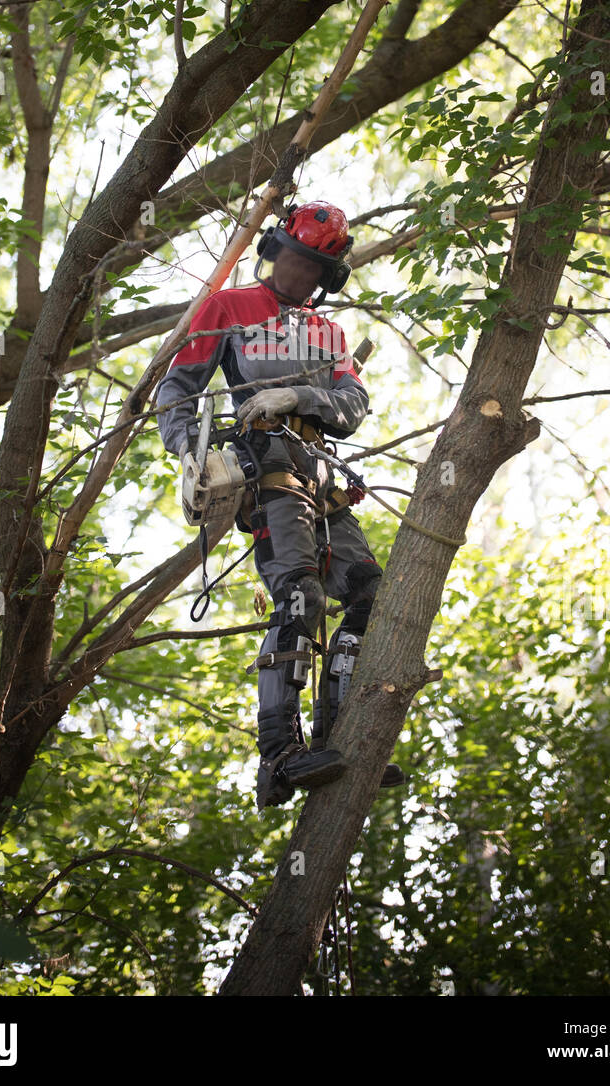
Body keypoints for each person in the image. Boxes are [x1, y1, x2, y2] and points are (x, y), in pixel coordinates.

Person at [155, 200, 404, 809]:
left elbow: (351, 406)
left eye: (314, 265)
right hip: (263, 465)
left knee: (371, 591)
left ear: (327, 273)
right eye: (295, 258)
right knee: (299, 589)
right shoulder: (228, 308)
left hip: (323, 473)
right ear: (275, 253)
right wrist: (199, 458)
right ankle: (280, 755)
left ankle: (338, 734)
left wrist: (300, 393)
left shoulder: (331, 335)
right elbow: (175, 392)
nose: (301, 273)